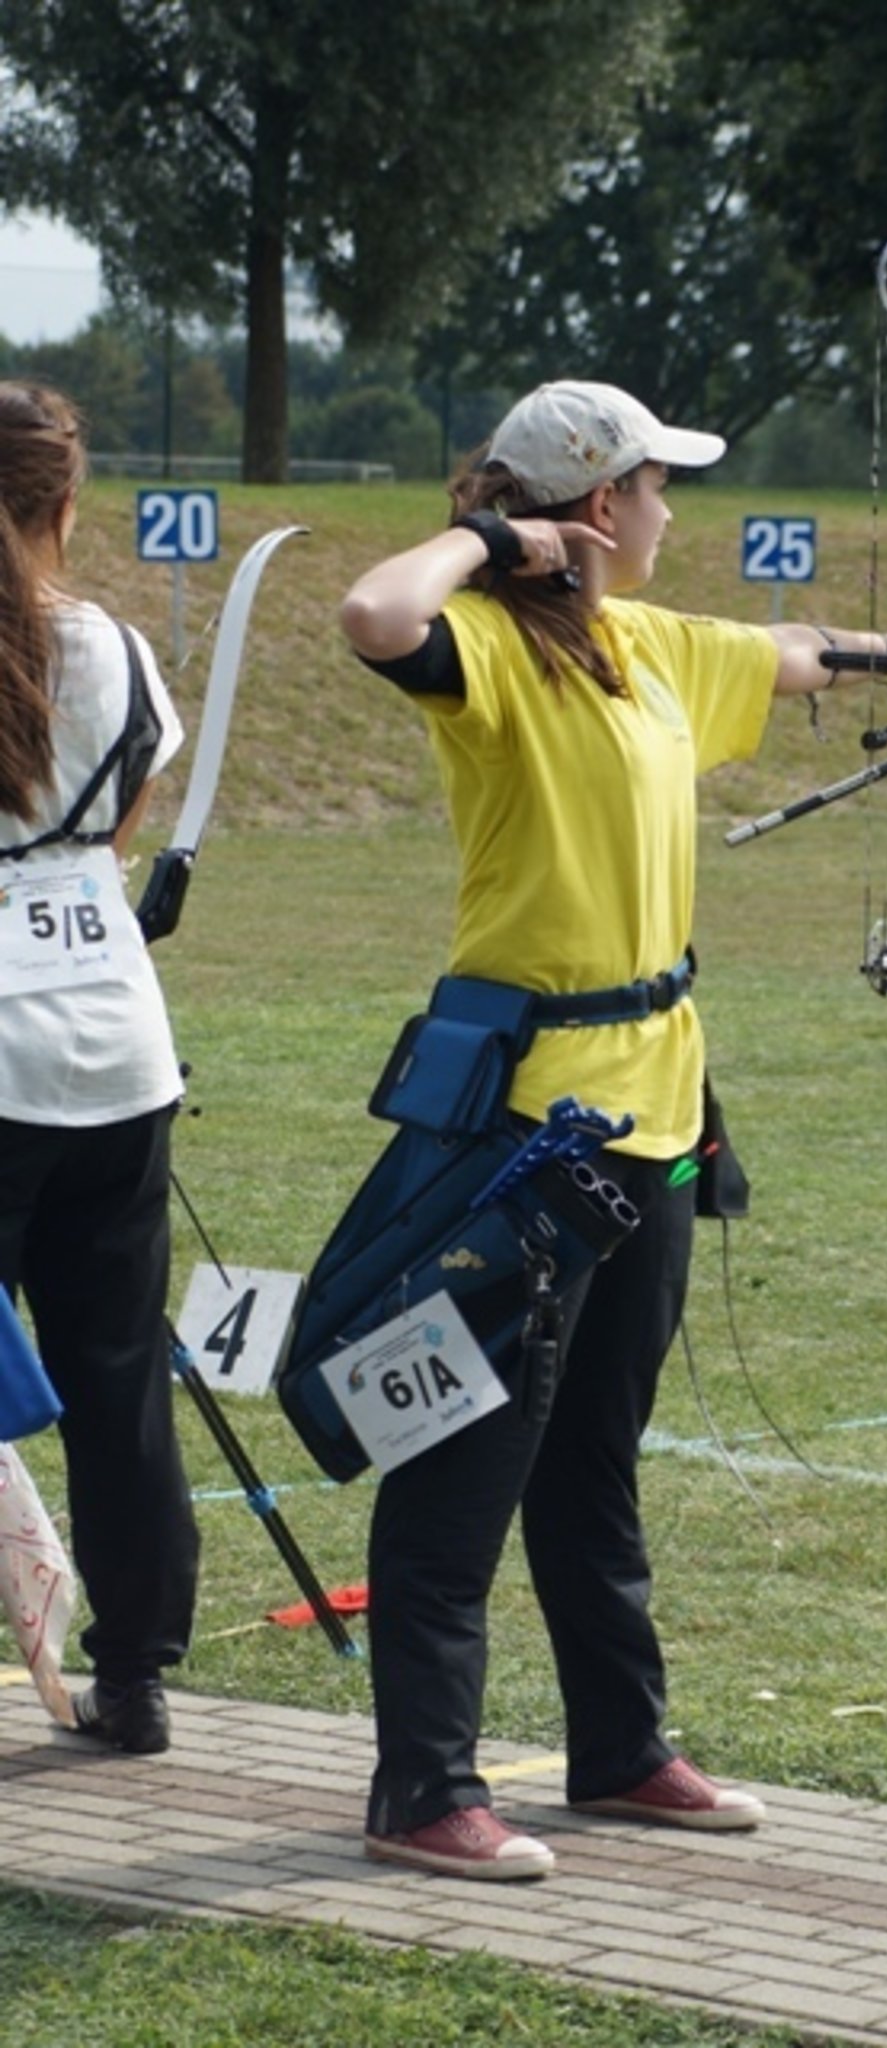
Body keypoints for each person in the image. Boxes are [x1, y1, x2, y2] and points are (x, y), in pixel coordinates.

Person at [339, 379, 887, 1881]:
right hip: (529, 1125)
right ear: (595, 503)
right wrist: (497, 546)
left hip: (662, 1106)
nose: (670, 512)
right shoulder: (487, 645)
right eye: (654, 487)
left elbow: (795, 651)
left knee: (594, 1452)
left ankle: (619, 1751)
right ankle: (422, 1789)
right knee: (468, 1454)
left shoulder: (646, 643)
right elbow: (375, 614)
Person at [0, 380, 199, 1755]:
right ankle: (135, 1677)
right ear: (66, 505)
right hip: (116, 1048)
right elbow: (117, 827)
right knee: (119, 1374)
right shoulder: (117, 648)